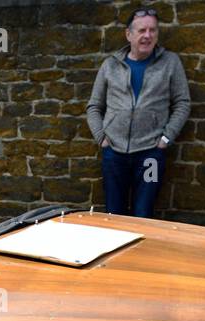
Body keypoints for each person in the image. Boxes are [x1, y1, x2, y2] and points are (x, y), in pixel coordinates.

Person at [85, 8, 191, 218]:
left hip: (151, 154)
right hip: (114, 154)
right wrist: (101, 137)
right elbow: (94, 106)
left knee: (144, 213)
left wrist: (166, 138)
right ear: (129, 34)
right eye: (142, 30)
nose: (148, 36)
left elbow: (183, 103)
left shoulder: (170, 63)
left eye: (153, 30)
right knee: (114, 214)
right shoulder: (110, 65)